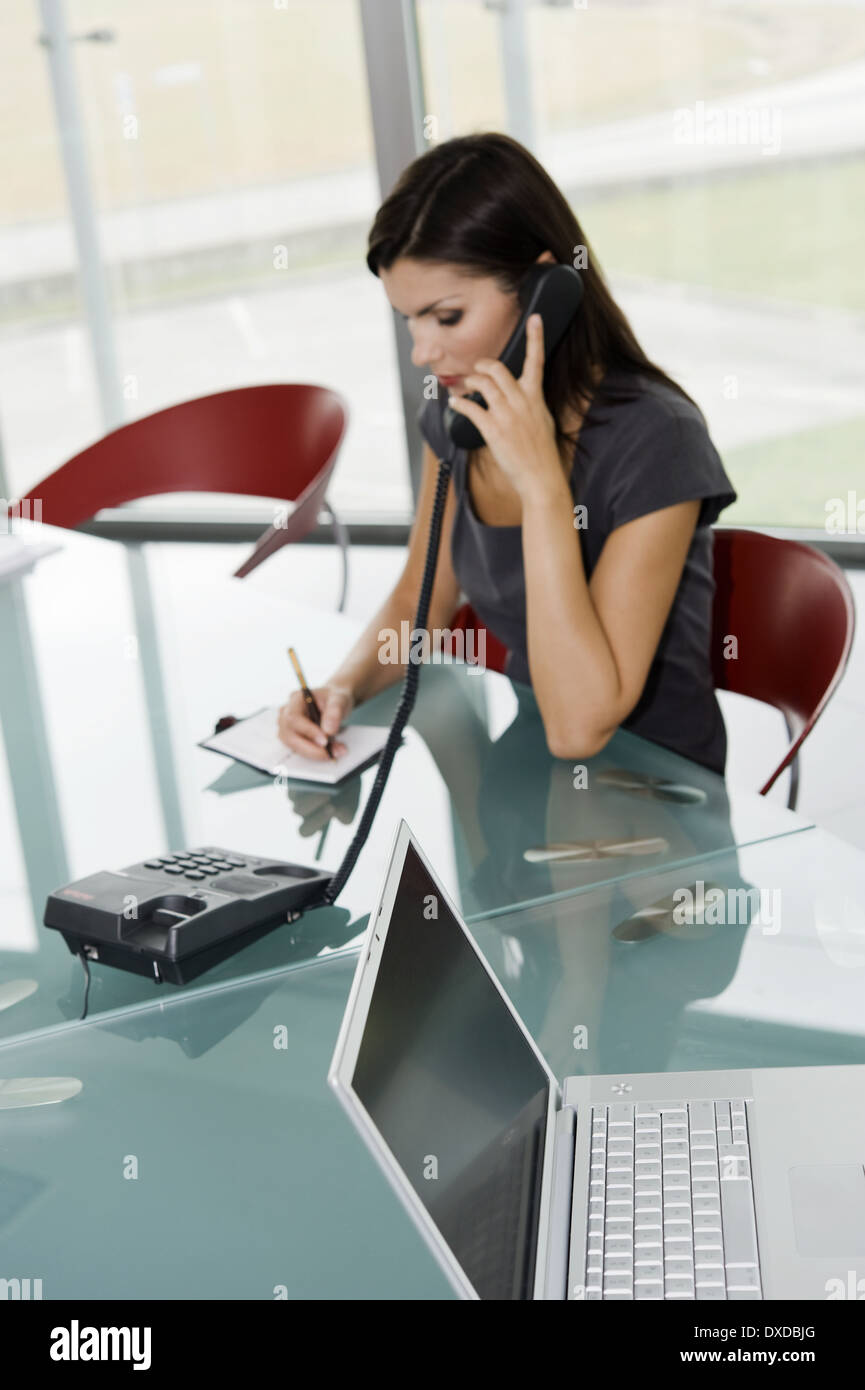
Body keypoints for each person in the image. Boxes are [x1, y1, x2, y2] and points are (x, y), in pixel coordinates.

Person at [278, 132, 737, 776]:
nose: (423, 354)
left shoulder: (657, 440)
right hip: (528, 786)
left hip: (656, 809)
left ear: (544, 288)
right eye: (409, 322)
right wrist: (341, 688)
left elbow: (579, 729)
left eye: (446, 317)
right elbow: (421, 603)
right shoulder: (457, 415)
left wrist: (543, 486)